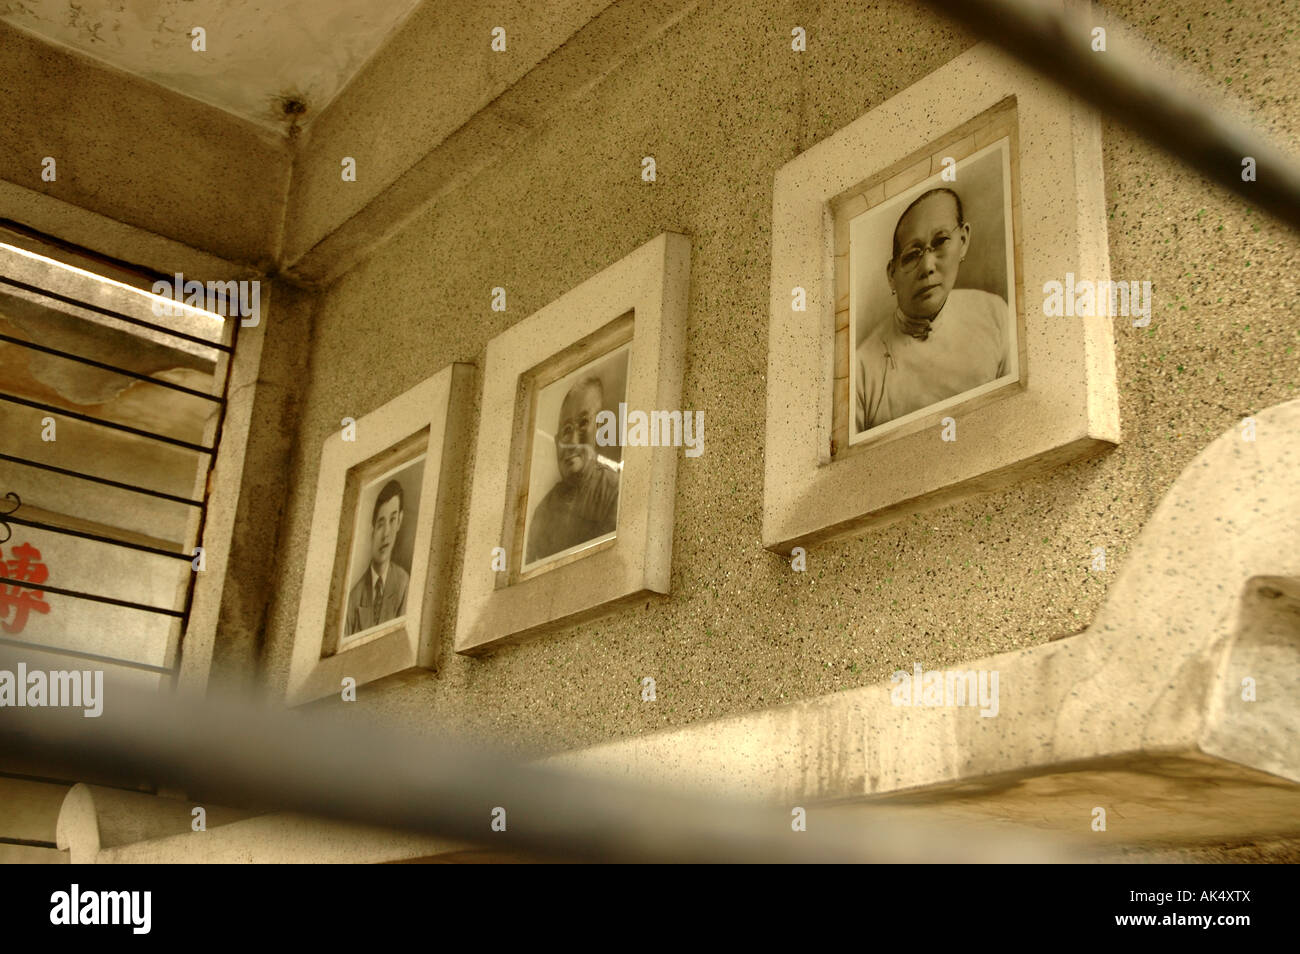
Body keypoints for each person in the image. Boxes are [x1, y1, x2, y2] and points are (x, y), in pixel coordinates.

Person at [856, 187, 1011, 432]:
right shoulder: (862, 368)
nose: (927, 266)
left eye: (940, 242)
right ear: (891, 275)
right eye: (911, 255)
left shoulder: (994, 314)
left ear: (963, 240)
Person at [526, 375, 620, 564]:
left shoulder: (616, 492)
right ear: (556, 442)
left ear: (600, 430)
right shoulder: (542, 513)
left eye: (583, 423)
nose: (573, 442)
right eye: (567, 430)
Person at [344, 479, 410, 637]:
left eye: (393, 520)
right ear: (372, 530)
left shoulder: (403, 583)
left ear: (400, 521)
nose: (386, 533)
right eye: (381, 523)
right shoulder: (353, 599)